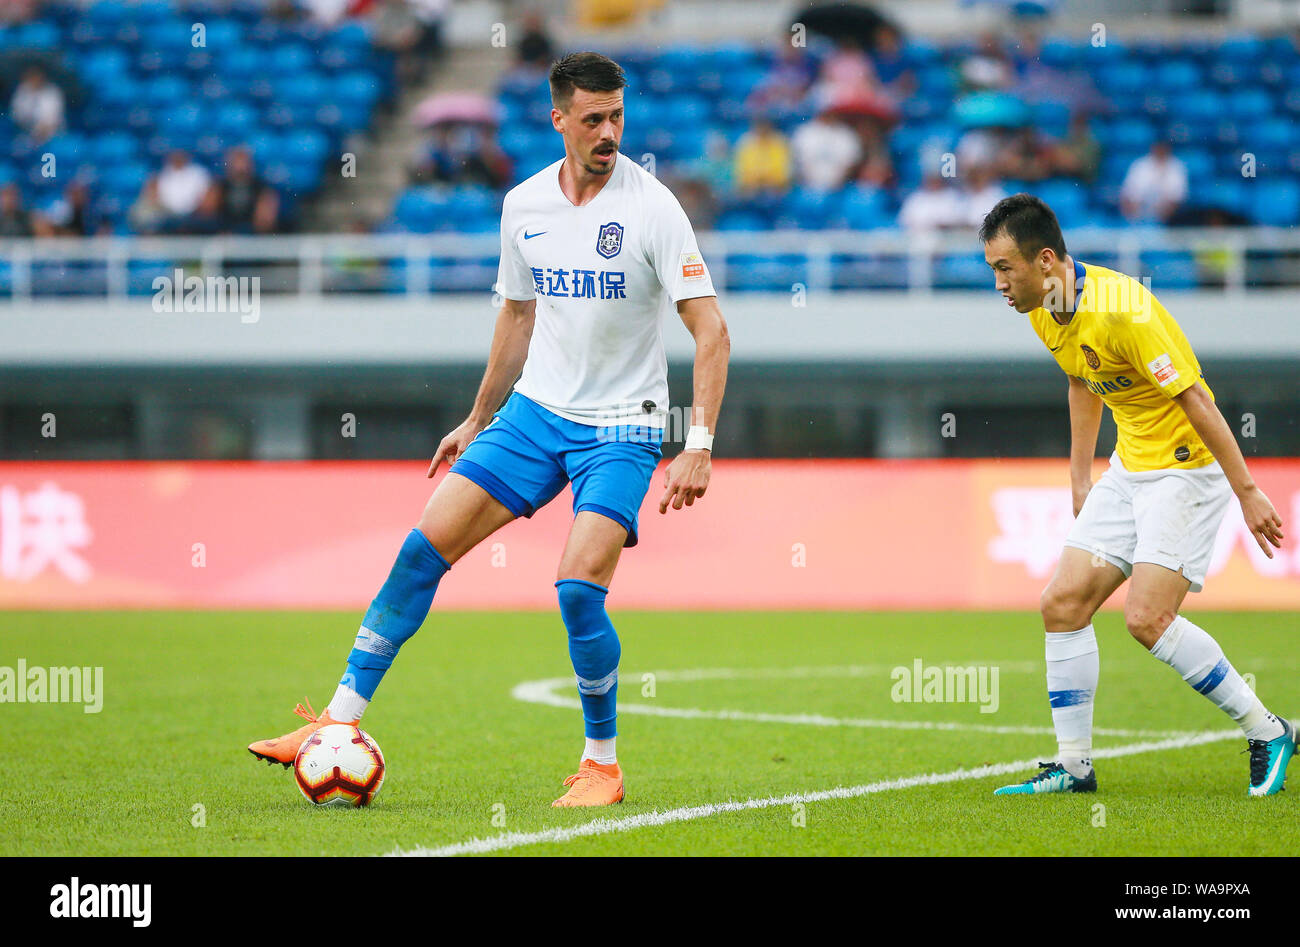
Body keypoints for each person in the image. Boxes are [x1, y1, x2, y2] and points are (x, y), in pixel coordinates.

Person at [248, 51, 731, 808]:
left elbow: (712, 333)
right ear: (559, 119)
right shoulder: (524, 206)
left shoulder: (654, 207)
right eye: (594, 118)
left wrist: (697, 443)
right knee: (419, 553)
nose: (610, 132)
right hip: (535, 413)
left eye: (618, 117)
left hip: (621, 429)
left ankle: (601, 764)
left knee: (577, 589)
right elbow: (516, 313)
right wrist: (477, 417)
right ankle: (335, 722)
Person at [979, 194, 1292, 797]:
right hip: (1129, 466)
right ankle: (1073, 766)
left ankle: (1267, 729)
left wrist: (1246, 491)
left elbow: (1195, 398)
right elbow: (1081, 378)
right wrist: (1079, 473)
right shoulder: (1046, 309)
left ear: (1046, 261)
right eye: (993, 269)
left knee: (1147, 619)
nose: (999, 283)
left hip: (1187, 469)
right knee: (1062, 604)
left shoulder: (1123, 311)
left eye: (1004, 268)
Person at [1120, 141, 1188, 224]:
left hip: (1164, 212)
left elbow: (1177, 197)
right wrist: (1133, 211)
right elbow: (1128, 192)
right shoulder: (1140, 164)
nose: (1160, 152)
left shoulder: (1176, 166)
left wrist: (1161, 212)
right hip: (1139, 210)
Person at [9, 65, 64, 144]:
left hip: (52, 135)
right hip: (26, 133)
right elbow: (16, 114)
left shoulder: (52, 92)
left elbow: (53, 120)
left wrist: (40, 131)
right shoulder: (22, 90)